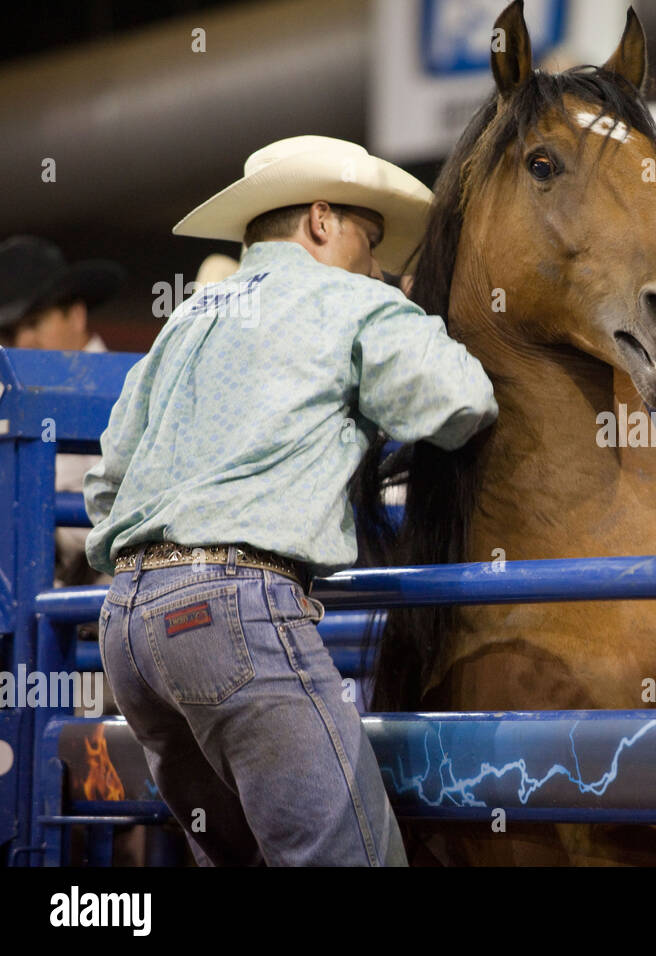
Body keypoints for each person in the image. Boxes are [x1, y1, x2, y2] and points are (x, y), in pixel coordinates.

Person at [85, 135, 498, 866]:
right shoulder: (350, 300)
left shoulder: (187, 317)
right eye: (370, 243)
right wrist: (397, 319)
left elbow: (108, 482)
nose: (378, 266)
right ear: (319, 221)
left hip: (128, 630)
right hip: (231, 613)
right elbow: (461, 401)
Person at [0, 235, 126, 588]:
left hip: (106, 606)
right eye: (10, 330)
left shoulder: (134, 389)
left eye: (35, 322)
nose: (23, 342)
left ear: (76, 314)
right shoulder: (11, 400)